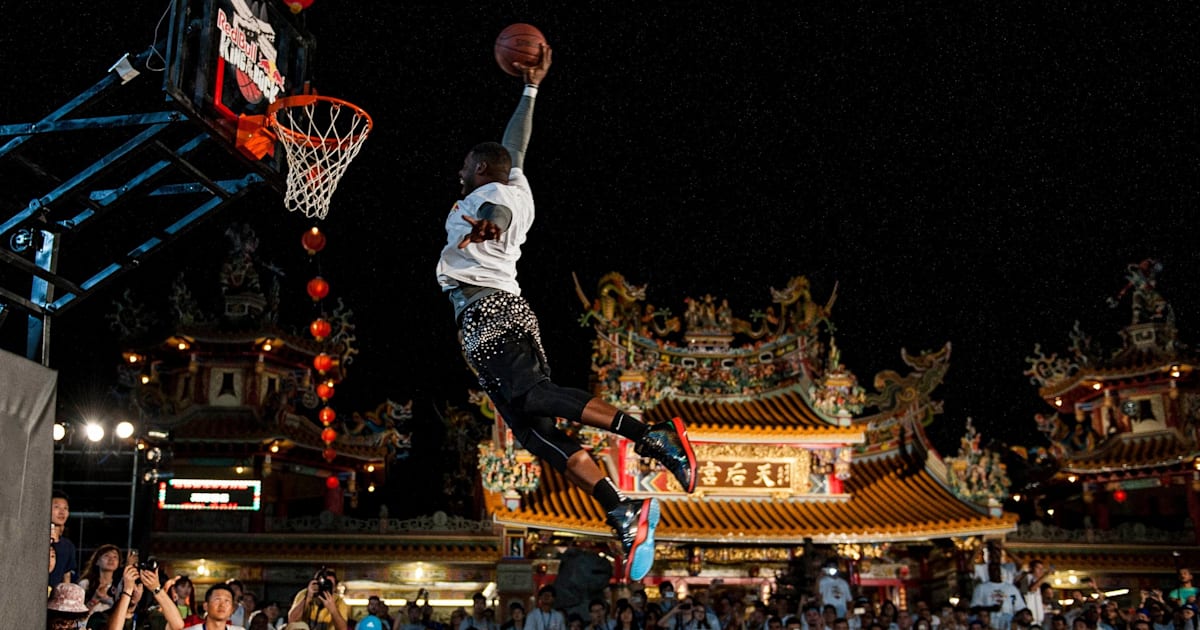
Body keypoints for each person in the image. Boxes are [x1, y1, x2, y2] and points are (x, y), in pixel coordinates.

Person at [434, 41, 697, 581]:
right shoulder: (514, 181)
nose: (458, 169)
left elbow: (495, 210)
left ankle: (652, 437)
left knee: (534, 399)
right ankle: (617, 507)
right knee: (535, 433)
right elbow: (515, 147)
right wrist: (530, 89)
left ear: (479, 169)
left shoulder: (496, 199)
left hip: (491, 314)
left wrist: (489, 223)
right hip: (490, 318)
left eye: (465, 164)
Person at [971, 564, 1023, 630]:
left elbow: (1019, 608)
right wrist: (991, 608)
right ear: (988, 572)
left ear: (1000, 571)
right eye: (992, 570)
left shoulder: (1011, 588)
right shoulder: (981, 588)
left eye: (996, 570)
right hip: (988, 625)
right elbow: (973, 609)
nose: (994, 572)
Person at [50, 489, 78, 587]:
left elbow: (67, 577)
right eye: (57, 507)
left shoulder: (68, 546)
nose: (62, 512)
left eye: (65, 508)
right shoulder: (35, 540)